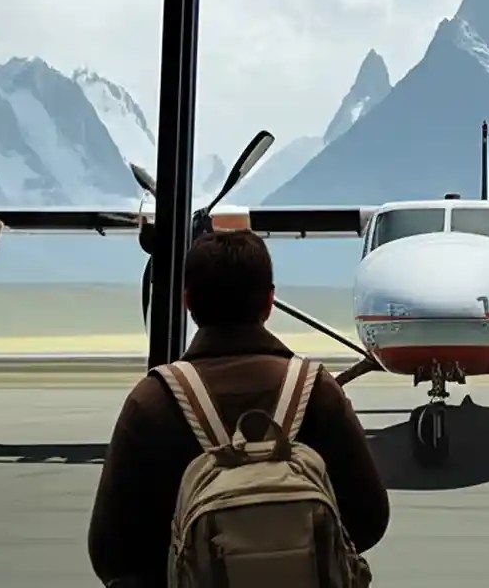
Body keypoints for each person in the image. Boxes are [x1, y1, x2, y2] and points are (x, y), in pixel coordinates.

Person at [88, 230, 390, 587]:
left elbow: (110, 550)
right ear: (269, 302)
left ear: (188, 301)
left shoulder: (152, 400)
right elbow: (370, 518)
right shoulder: (318, 391)